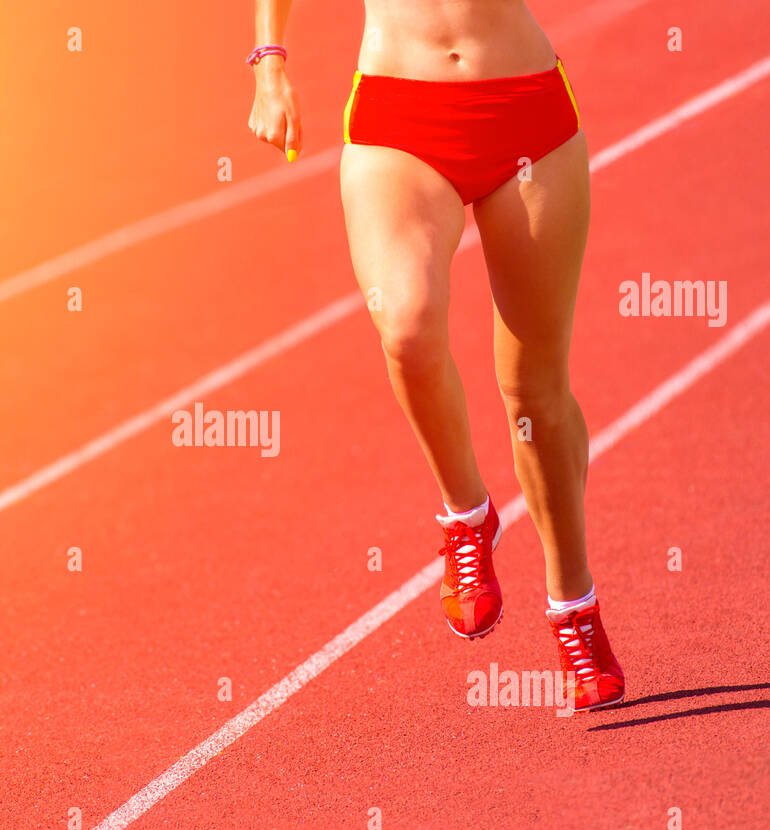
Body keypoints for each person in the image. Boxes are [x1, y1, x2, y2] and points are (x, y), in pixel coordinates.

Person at [247, 0, 624, 711]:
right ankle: (466, 515)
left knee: (535, 394)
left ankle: (574, 604)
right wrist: (270, 65)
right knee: (407, 326)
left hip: (528, 114)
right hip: (399, 119)